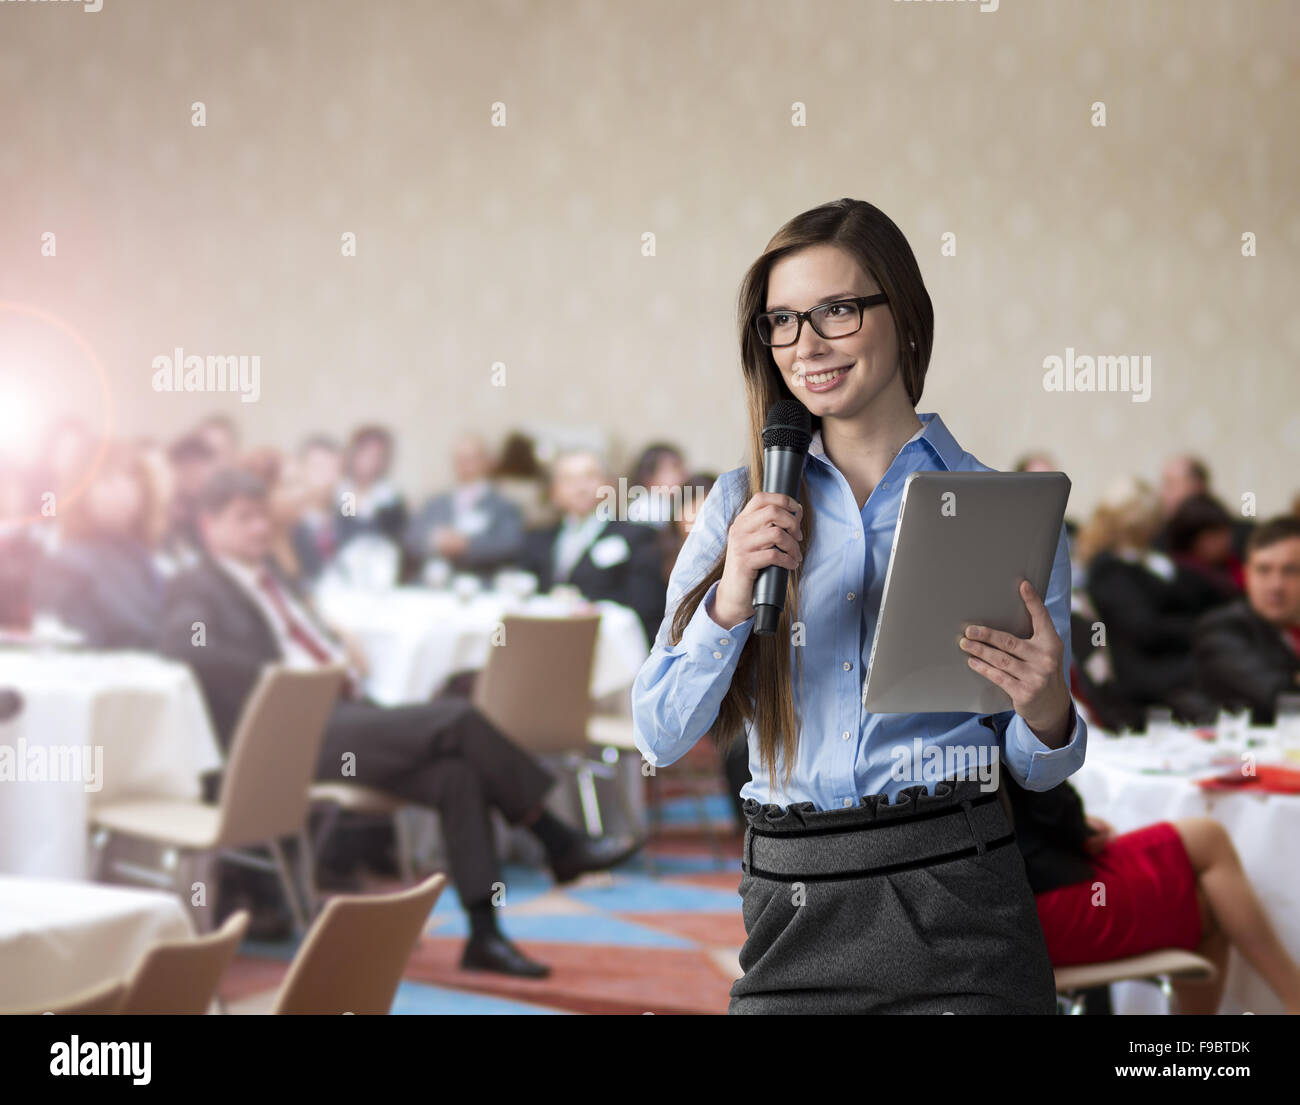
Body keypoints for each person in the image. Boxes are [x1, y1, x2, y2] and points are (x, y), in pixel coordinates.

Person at [632, 197, 1087, 1014]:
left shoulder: (999, 506)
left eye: (836, 310)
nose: (806, 345)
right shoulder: (740, 503)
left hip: (959, 894)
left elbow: (1036, 764)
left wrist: (1047, 706)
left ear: (903, 316)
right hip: (792, 901)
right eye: (782, 320)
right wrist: (731, 596)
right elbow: (660, 731)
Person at [159, 468, 643, 978]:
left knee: (458, 774)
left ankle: (484, 934)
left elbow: (309, 634)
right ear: (209, 526)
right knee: (458, 719)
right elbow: (184, 645)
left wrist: (333, 644)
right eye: (243, 519)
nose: (260, 529)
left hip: (344, 716)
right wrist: (285, 677)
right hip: (291, 731)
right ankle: (557, 839)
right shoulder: (196, 584)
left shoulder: (272, 577)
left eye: (262, 517)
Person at [1005, 775, 1300, 1013]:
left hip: (1000, 914)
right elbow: (1050, 800)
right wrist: (1080, 828)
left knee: (1211, 901)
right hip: (1037, 910)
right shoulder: (1000, 712)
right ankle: (1295, 999)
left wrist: (1078, 827)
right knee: (1208, 842)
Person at [1076, 475, 1218, 724]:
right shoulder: (1110, 570)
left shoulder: (1154, 561)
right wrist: (1203, 627)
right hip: (1142, 670)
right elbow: (1146, 630)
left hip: (1169, 660)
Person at [520, 448, 668, 645]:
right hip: (544, 642)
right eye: (569, 480)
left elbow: (646, 604)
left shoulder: (637, 536)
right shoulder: (537, 539)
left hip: (607, 647)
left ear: (609, 485)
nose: (581, 487)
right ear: (554, 492)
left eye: (590, 477)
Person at [33, 445, 165, 649]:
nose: (122, 490)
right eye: (108, 481)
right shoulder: (66, 564)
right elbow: (76, 642)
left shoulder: (144, 561)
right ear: (81, 492)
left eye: (131, 479)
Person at [1193, 516, 1300, 724]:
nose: (1276, 585)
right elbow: (1280, 698)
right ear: (1246, 574)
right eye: (1264, 570)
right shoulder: (1221, 628)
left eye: (1290, 571)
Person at [404, 432, 525, 582]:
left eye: (472, 459)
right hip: (434, 586)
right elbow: (411, 540)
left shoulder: (504, 507)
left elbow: (510, 545)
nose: (465, 465)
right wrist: (436, 542)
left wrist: (467, 545)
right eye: (460, 459)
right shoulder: (435, 503)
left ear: (486, 461)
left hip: (481, 585)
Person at [335, 424, 407, 549]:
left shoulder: (389, 495)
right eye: (365, 454)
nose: (371, 462)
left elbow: (394, 537)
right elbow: (347, 530)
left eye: (377, 456)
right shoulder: (345, 490)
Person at [287, 434, 345, 583]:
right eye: (318, 468)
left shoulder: (346, 512)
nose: (326, 477)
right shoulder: (287, 521)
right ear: (300, 470)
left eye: (334, 469)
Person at [626, 443, 688, 527]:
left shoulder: (670, 506)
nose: (683, 474)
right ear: (649, 476)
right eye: (674, 467)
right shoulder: (645, 508)